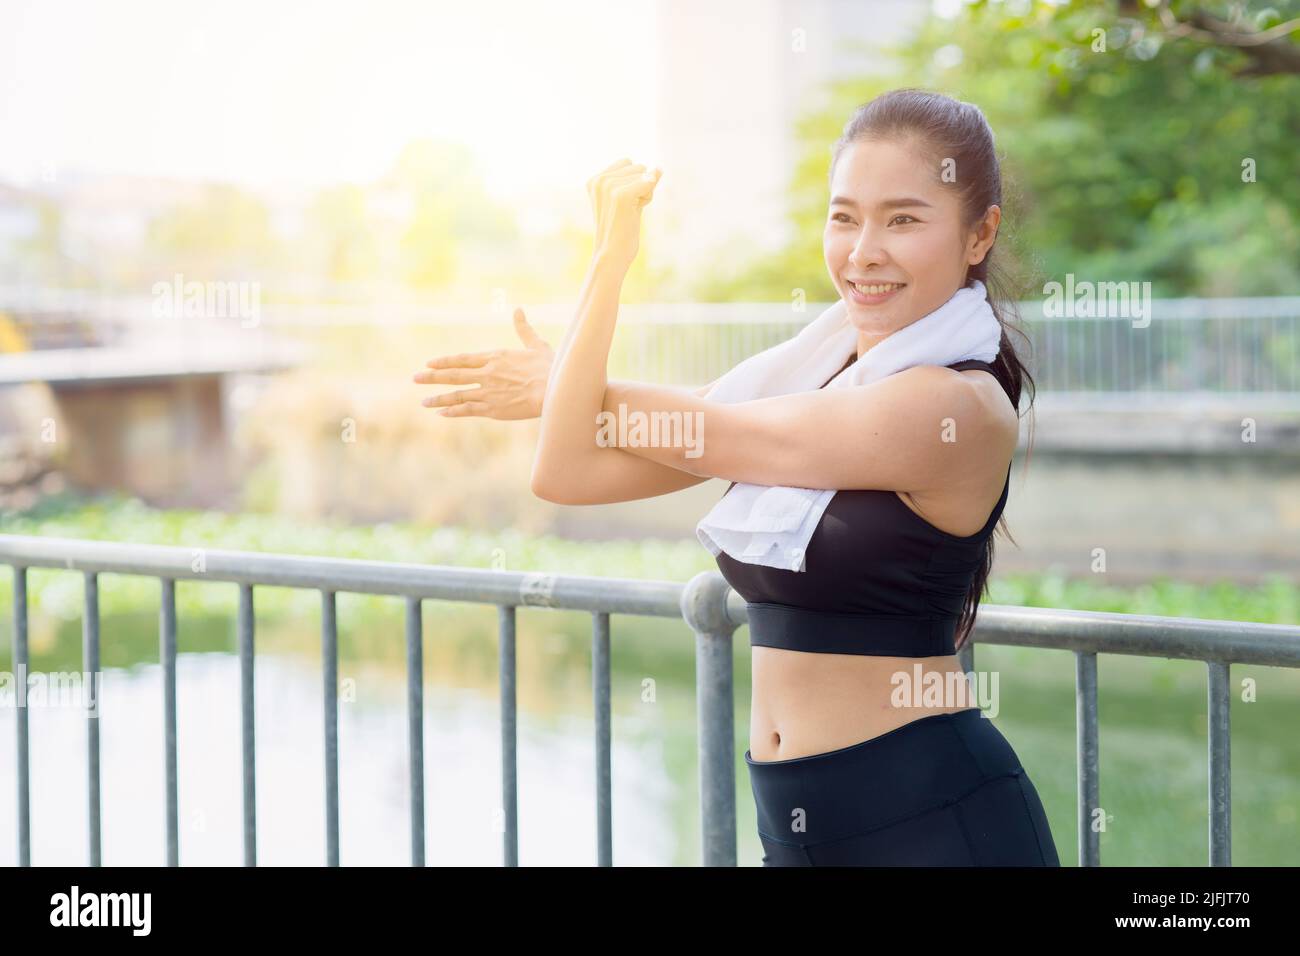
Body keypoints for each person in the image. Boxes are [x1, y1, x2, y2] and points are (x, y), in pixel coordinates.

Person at [415, 88, 1059, 867]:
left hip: (930, 823)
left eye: (902, 220)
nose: (863, 251)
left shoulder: (953, 406)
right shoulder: (810, 379)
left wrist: (576, 365)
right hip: (799, 831)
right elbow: (567, 468)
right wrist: (602, 276)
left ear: (979, 233)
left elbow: (697, 430)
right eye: (844, 217)